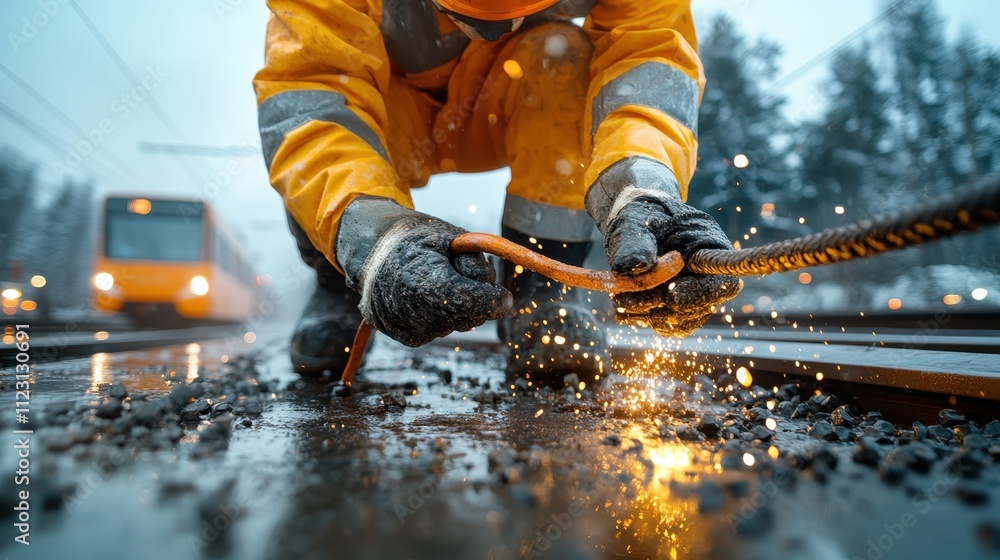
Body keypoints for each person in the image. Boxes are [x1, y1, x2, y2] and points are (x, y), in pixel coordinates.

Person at [253, 0, 740, 379]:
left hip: (505, 97)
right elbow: (312, 108)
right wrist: (376, 244)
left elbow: (648, 59)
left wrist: (644, 191)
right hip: (383, 118)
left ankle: (541, 299)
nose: (490, 30)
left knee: (561, 55)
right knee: (326, 145)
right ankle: (343, 286)